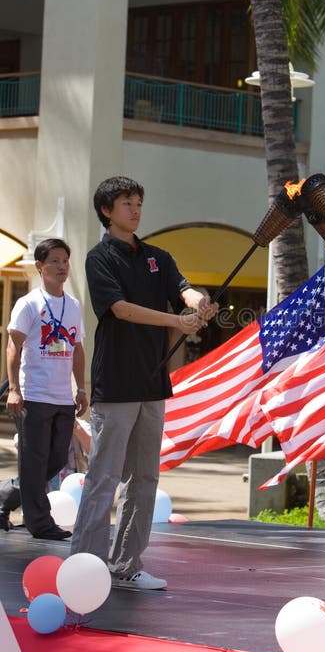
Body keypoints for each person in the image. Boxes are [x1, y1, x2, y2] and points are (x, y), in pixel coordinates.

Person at [70, 176, 218, 590]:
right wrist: (176, 321)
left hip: (153, 383)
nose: (135, 210)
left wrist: (198, 302)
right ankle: (84, 567)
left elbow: (183, 290)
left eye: (138, 203)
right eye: (126, 204)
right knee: (104, 476)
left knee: (144, 477)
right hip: (115, 384)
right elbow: (119, 309)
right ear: (106, 211)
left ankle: (126, 565)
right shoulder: (99, 258)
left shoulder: (158, 257)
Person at [6, 238, 88, 539]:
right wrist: (14, 389)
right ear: (40, 267)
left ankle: (4, 498)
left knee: (53, 460)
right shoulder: (28, 303)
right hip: (34, 395)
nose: (62, 266)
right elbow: (13, 345)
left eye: (65, 260)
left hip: (63, 396)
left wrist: (81, 389)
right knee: (34, 459)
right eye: (54, 260)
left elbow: (77, 349)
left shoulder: (73, 305)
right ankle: (41, 523)